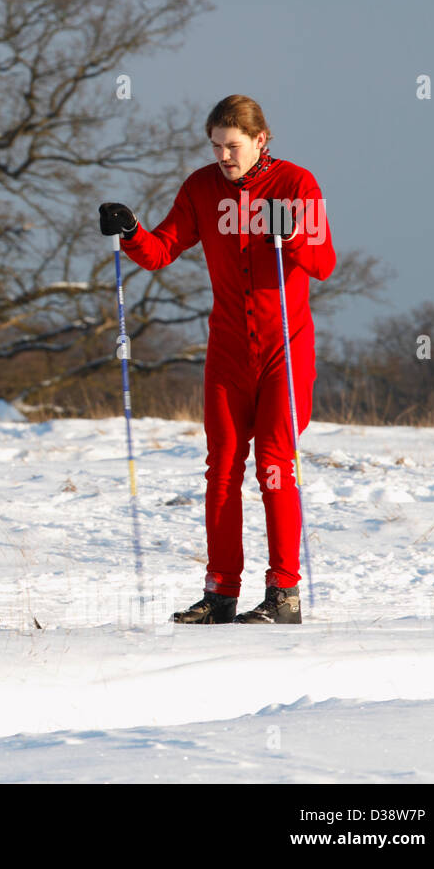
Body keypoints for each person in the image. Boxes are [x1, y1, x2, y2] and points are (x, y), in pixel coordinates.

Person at [99, 95, 336, 624]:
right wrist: (131, 230)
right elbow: (161, 250)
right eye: (216, 146)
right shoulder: (202, 187)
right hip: (228, 348)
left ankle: (284, 595)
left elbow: (324, 264)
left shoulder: (297, 185)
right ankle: (221, 592)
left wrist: (292, 233)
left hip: (284, 348)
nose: (224, 156)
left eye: (233, 146)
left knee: (275, 466)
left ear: (260, 140)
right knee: (222, 469)